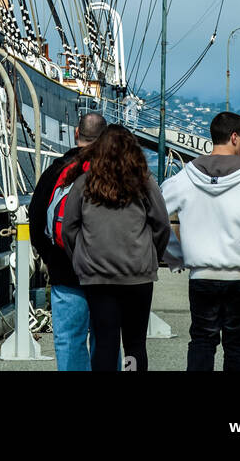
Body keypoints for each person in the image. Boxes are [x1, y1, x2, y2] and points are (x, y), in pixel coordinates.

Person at [162, 111, 240, 371]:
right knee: (237, 348)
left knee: (201, 341)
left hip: (201, 275)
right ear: (234, 137)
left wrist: (175, 255)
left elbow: (155, 217)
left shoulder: (185, 178)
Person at [61, 124, 170, 372]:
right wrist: (151, 255)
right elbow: (161, 224)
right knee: (135, 344)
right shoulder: (145, 182)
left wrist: (80, 258)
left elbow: (69, 227)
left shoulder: (84, 183)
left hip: (97, 276)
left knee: (105, 342)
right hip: (137, 276)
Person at [27, 111, 107, 370]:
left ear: (76, 133)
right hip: (108, 273)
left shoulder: (56, 171)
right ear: (105, 138)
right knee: (105, 340)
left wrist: (52, 257)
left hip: (66, 268)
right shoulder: (115, 172)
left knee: (69, 340)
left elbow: (36, 221)